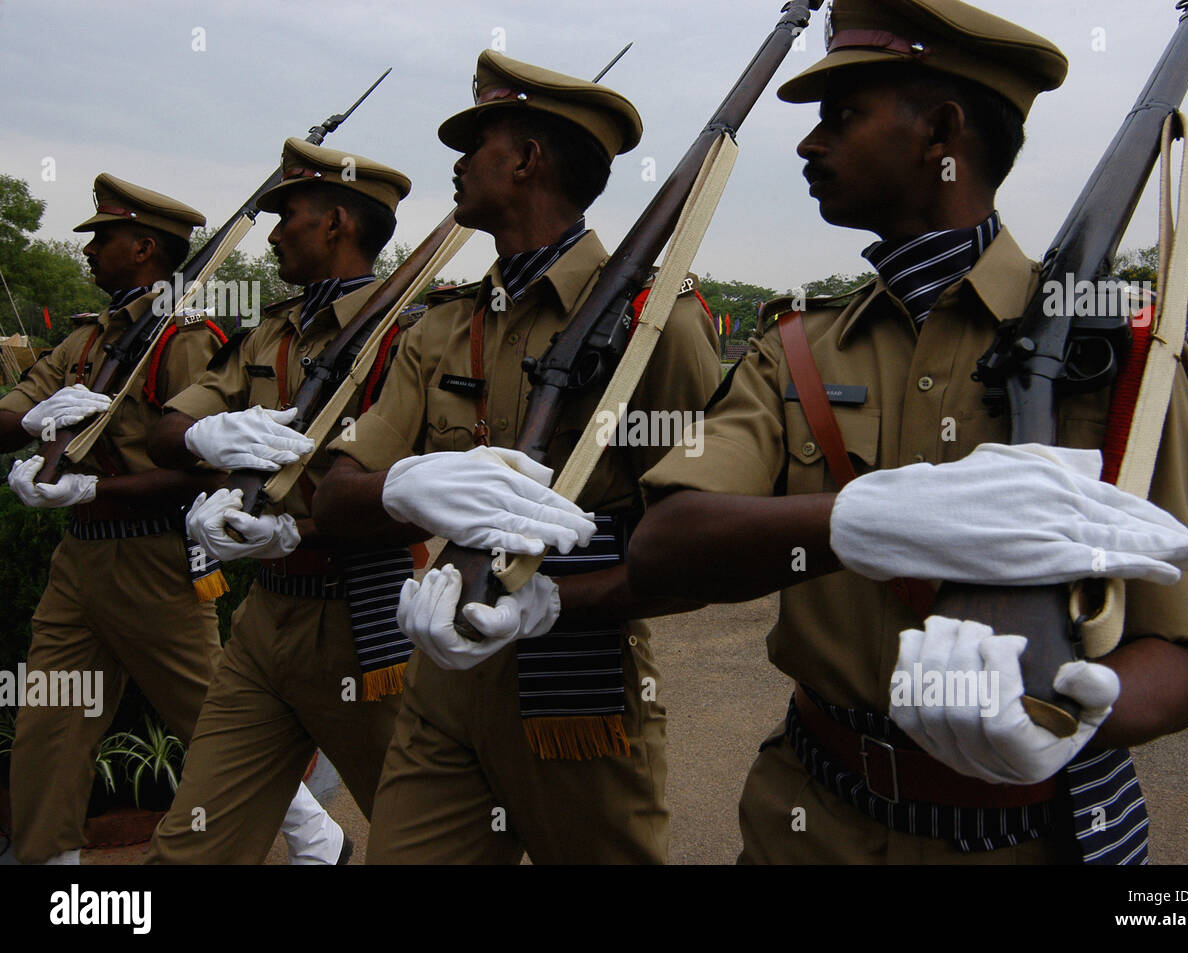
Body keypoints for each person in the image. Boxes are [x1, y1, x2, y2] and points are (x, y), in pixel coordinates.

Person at [629, 0, 1188, 864]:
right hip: (810, 820)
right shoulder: (797, 344)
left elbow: (1178, 653)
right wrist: (863, 520)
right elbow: (667, 544)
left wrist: (1078, 717)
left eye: (843, 117)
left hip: (1028, 836)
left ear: (941, 130)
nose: (808, 144)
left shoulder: (1115, 348)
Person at [310, 51, 720, 864]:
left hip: (577, 686)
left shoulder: (655, 328)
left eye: (478, 143)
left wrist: (556, 602)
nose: (457, 164)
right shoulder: (440, 325)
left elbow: (702, 536)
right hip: (443, 681)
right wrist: (405, 488)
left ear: (528, 160)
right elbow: (333, 496)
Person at [0, 174, 341, 865]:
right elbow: (14, 414)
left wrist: (94, 493)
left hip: (155, 558)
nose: (90, 251)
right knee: (49, 723)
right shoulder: (86, 343)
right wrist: (31, 423)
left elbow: (208, 469)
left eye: (105, 238)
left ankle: (314, 833)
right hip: (80, 564)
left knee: (212, 715)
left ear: (145, 248)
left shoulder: (186, 340)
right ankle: (50, 862)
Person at [142, 140, 412, 863]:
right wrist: (209, 437)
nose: (271, 233)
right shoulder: (270, 329)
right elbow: (167, 430)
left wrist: (308, 525)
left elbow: (434, 487)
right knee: (192, 840)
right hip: (267, 620)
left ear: (336, 224)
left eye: (285, 215)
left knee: (426, 839)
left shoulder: (414, 335)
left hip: (371, 619)